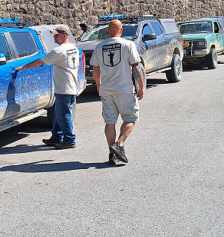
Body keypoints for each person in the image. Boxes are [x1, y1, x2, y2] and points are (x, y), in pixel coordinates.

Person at [15, 25, 80, 150]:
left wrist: (24, 67)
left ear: (64, 35)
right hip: (71, 85)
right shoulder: (74, 48)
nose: (54, 37)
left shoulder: (59, 51)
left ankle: (69, 140)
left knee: (63, 115)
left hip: (64, 88)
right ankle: (56, 137)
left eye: (56, 35)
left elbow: (40, 62)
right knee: (58, 113)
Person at [90, 19, 145, 165]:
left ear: (109, 30)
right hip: (124, 88)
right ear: (121, 30)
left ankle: (111, 154)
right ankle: (119, 145)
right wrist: (141, 86)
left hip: (107, 89)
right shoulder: (128, 44)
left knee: (110, 122)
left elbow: (95, 68)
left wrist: (98, 84)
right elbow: (136, 67)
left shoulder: (99, 46)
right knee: (130, 118)